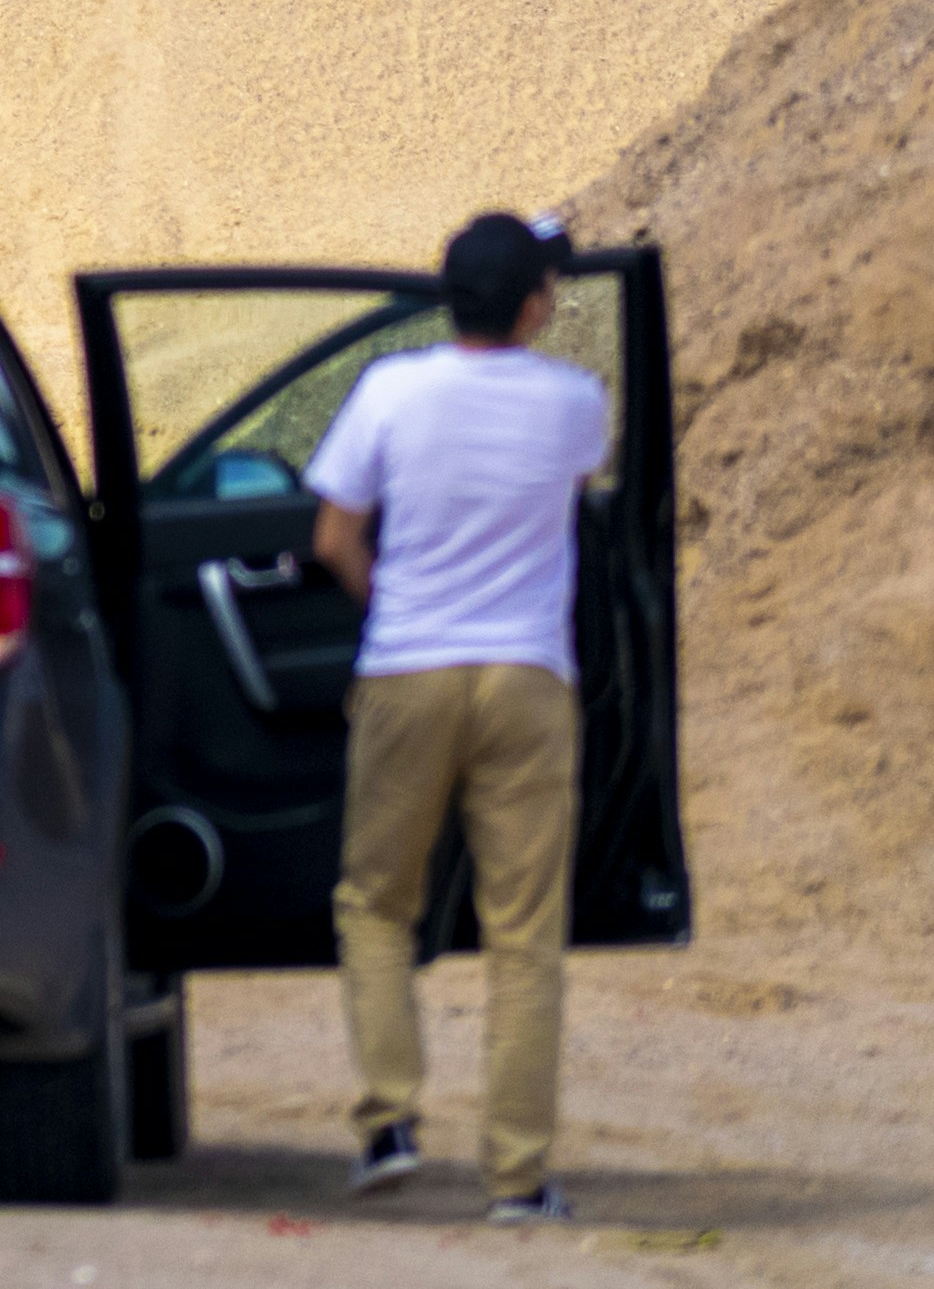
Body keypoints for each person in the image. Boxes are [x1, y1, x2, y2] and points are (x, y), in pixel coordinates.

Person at [306, 210, 613, 1225]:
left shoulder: (388, 389)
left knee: (376, 902)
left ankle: (387, 1119)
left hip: (407, 669)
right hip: (527, 676)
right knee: (524, 933)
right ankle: (517, 1178)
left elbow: (333, 535)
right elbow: (590, 492)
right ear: (533, 303)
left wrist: (384, 600)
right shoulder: (575, 402)